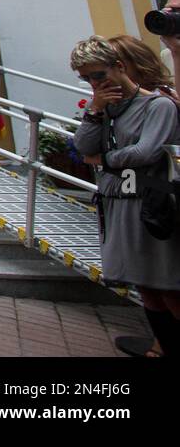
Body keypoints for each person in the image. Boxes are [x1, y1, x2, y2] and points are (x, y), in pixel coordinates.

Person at [72, 36, 180, 357]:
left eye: (99, 75)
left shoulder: (157, 105)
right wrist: (94, 110)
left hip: (150, 205)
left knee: (169, 287)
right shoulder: (106, 109)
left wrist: (106, 160)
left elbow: (146, 151)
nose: (95, 83)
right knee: (146, 287)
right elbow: (82, 147)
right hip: (117, 202)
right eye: (87, 78)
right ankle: (165, 347)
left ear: (119, 67)